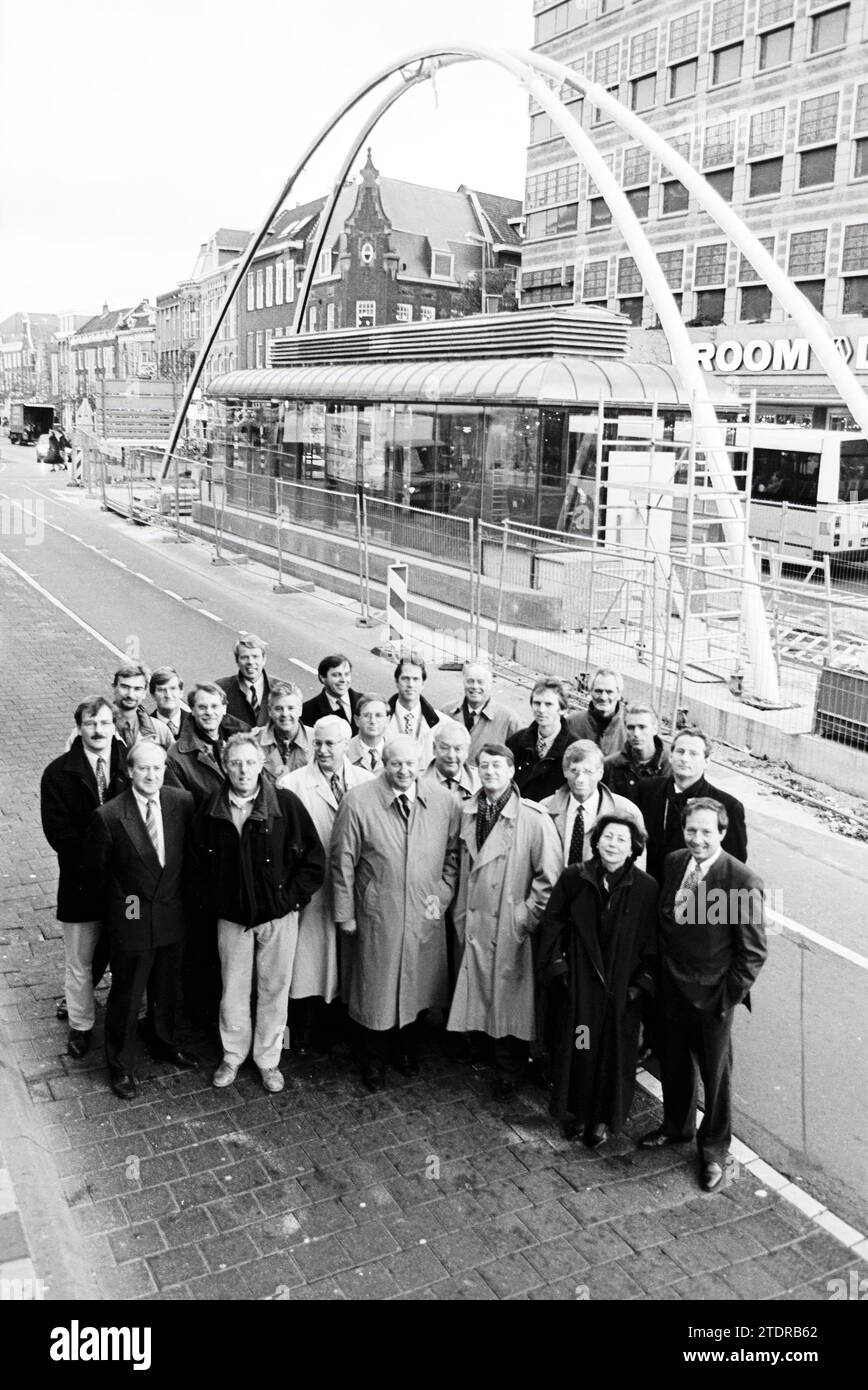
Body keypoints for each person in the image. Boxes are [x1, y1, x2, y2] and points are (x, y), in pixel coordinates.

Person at [638, 799, 767, 1194]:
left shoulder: (740, 880)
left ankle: (713, 1151)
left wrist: (725, 999)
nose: (697, 839)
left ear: (723, 834)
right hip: (671, 991)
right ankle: (676, 1127)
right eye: (691, 830)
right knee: (675, 1066)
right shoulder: (675, 861)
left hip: (713, 1001)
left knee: (715, 1078)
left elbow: (752, 953)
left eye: (707, 832)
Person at [190, 734, 325, 1093]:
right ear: (224, 765)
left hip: (278, 919)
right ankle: (233, 1055)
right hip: (233, 920)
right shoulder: (210, 808)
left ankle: (268, 1060)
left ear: (261, 763)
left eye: (250, 762)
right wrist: (218, 903)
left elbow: (313, 861)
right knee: (233, 990)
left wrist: (288, 901)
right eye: (235, 763)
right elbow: (195, 866)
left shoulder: (285, 804)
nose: (243, 770)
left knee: (274, 989)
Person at [330, 735, 460, 1091]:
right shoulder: (359, 800)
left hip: (424, 911)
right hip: (378, 912)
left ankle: (407, 1051)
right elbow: (342, 861)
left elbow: (452, 857)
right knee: (376, 988)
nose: (403, 771)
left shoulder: (444, 800)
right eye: (395, 764)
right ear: (383, 765)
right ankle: (372, 1060)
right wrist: (346, 914)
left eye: (410, 764)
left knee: (418, 986)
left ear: (422, 764)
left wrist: (439, 899)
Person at [446, 744, 561, 1099]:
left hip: (508, 922)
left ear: (512, 770)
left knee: (510, 994)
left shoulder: (532, 817)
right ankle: (480, 1047)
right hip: (475, 917)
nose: (490, 771)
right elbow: (455, 858)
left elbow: (549, 877)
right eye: (484, 765)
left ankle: (510, 1067)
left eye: (498, 765)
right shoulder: (466, 810)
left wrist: (524, 916)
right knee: (479, 986)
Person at [537, 816, 658, 1147]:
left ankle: (602, 1119)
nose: (613, 844)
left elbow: (653, 944)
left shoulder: (646, 888)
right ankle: (578, 1112)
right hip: (582, 996)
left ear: (633, 847)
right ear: (596, 841)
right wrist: (560, 972)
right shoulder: (575, 878)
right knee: (581, 1048)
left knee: (613, 1059)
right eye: (608, 837)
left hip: (621, 998)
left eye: (622, 839)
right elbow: (553, 924)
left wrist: (639, 988)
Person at [87, 742, 197, 1100]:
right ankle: (119, 1064)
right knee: (127, 994)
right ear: (130, 772)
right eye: (144, 769)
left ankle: (162, 1041)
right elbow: (102, 877)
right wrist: (131, 916)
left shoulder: (181, 802)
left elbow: (187, 858)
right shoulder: (110, 815)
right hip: (134, 915)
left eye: (158, 768)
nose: (152, 775)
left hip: (172, 913)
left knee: (166, 987)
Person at [40, 697, 129, 1056]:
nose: (98, 730)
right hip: (81, 884)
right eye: (90, 724)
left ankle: (132, 1016)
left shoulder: (131, 765)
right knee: (80, 960)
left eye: (105, 723)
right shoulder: (58, 773)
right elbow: (58, 834)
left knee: (128, 950)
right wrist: (99, 860)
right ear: (79, 727)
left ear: (115, 726)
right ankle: (81, 1025)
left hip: (128, 889)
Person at [278, 716, 373, 1054]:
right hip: (313, 888)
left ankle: (342, 1027)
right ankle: (303, 1032)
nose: (321, 750)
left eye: (330, 743)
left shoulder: (366, 782)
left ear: (347, 744)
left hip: (354, 885)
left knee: (348, 959)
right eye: (316, 742)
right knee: (309, 961)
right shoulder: (291, 784)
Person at [635, 727, 748, 883]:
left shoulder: (729, 806)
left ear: (707, 761)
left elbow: (733, 866)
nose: (685, 758)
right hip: (647, 887)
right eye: (680, 751)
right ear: (671, 756)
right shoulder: (646, 790)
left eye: (693, 754)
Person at [539, 740, 646, 870]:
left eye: (588, 772)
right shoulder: (544, 809)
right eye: (574, 771)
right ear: (565, 772)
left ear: (600, 773)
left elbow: (637, 870)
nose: (580, 779)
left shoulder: (627, 812)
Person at [163, 683, 248, 806]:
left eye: (214, 706)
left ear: (224, 709)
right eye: (202, 707)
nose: (209, 712)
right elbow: (178, 808)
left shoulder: (246, 742)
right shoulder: (175, 757)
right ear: (192, 710)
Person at [506, 678, 573, 802]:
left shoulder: (573, 749)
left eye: (548, 704)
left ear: (563, 709)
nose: (541, 710)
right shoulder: (516, 742)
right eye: (537, 703)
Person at [441, 660, 520, 765]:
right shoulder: (446, 712)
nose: (475, 686)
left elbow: (516, 760)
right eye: (470, 681)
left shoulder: (508, 719)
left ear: (490, 684)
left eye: (480, 682)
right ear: (463, 682)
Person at [384, 652, 444, 769]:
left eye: (416, 679)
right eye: (405, 678)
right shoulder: (380, 720)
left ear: (423, 684)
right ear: (396, 682)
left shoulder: (440, 723)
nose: (410, 684)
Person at [603, 702, 670, 802]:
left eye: (642, 727)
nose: (636, 734)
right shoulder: (610, 765)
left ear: (655, 728)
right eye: (631, 727)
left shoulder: (670, 767)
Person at [251, 681, 312, 778]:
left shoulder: (317, 740)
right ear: (269, 711)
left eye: (291, 708)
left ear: (300, 710)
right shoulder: (253, 741)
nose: (285, 714)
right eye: (278, 709)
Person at [565, 668, 627, 757]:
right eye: (598, 691)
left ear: (619, 694)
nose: (603, 697)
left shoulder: (630, 727)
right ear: (590, 692)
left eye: (609, 692)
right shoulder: (572, 722)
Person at [111, 665, 173, 750]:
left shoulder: (160, 730)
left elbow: (177, 762)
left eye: (137, 689)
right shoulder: (98, 725)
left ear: (144, 693)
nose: (130, 694)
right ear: (114, 687)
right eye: (125, 687)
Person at [216, 634, 272, 727]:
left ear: (264, 659)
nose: (250, 662)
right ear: (237, 661)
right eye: (244, 657)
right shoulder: (221, 689)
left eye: (255, 656)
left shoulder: (281, 689)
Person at [300, 654, 362, 733]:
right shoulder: (307, 711)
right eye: (336, 675)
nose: (343, 680)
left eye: (347, 674)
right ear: (322, 678)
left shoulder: (366, 703)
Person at [421, 721, 480, 801]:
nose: (451, 755)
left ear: (467, 751)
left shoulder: (481, 782)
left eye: (458, 749)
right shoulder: (416, 782)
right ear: (434, 748)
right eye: (444, 748)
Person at [346, 693, 389, 771]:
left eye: (378, 715)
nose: (373, 721)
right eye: (367, 715)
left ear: (387, 720)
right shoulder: (344, 752)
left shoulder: (397, 752)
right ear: (357, 720)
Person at [148, 666, 189, 743]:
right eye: (161, 690)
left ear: (181, 692)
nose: (168, 695)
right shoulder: (145, 727)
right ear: (153, 695)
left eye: (173, 688)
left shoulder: (196, 723)